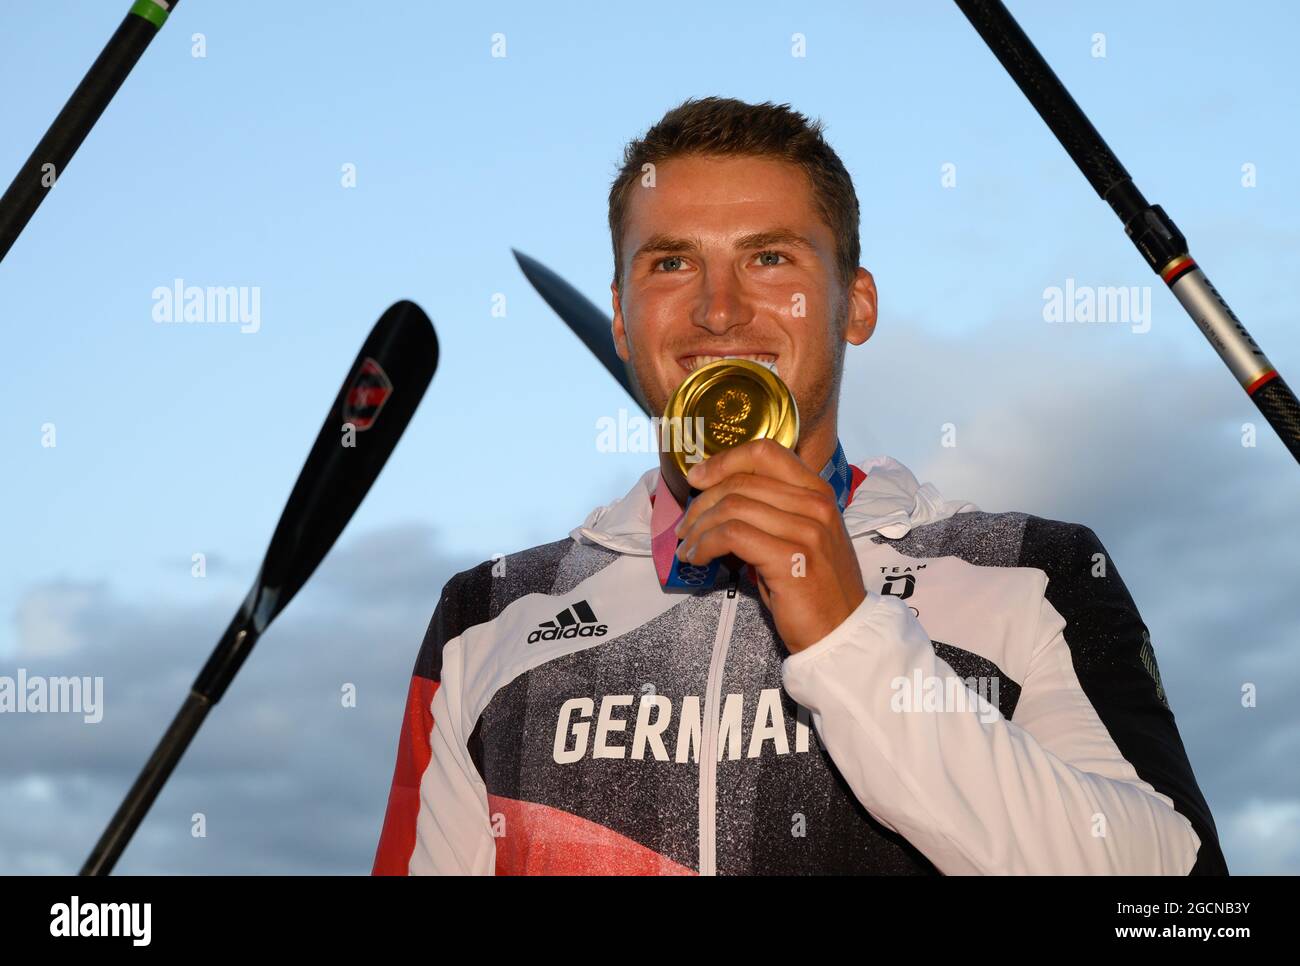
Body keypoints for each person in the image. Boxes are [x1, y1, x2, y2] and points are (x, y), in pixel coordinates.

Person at [371, 96, 1227, 875]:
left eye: (770, 258)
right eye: (671, 264)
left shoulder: (1032, 569)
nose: (718, 309)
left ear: (855, 305)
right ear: (623, 321)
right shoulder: (486, 617)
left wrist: (851, 639)